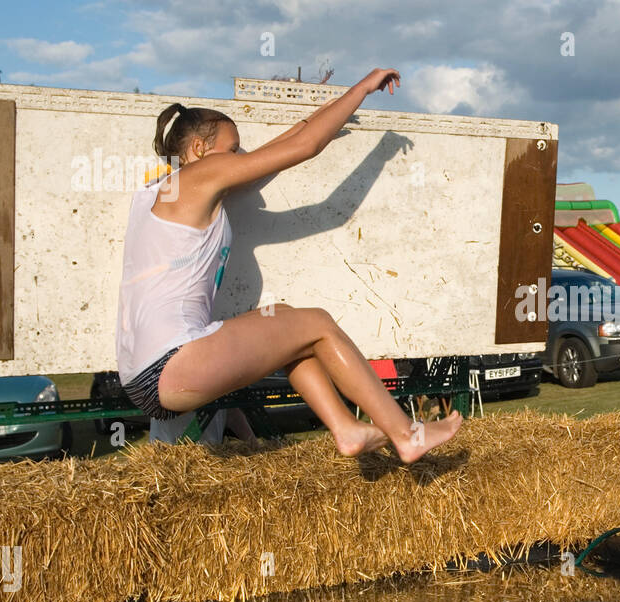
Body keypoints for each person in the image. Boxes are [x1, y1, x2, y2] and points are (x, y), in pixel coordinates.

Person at [115, 67, 462, 462]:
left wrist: (323, 113)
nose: (239, 159)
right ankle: (405, 433)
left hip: (144, 375)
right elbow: (305, 147)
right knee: (318, 322)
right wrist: (363, 88)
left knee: (284, 319)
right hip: (172, 362)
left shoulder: (158, 192)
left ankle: (347, 429)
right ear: (197, 150)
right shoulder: (200, 175)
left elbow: (276, 153)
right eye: (232, 150)